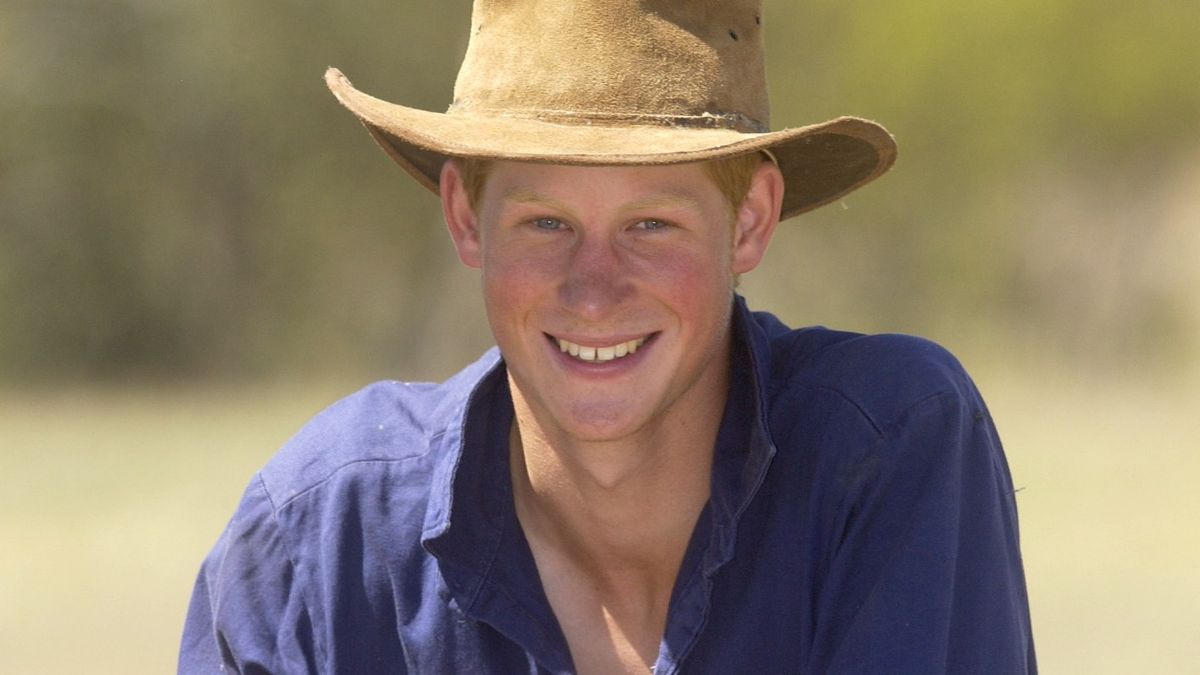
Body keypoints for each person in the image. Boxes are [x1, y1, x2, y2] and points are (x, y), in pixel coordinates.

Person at [180, 0, 1036, 672]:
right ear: (464, 216)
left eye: (651, 225)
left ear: (749, 221)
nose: (594, 292)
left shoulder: (887, 450)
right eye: (546, 223)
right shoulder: (316, 540)